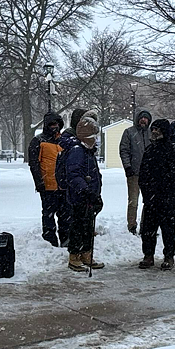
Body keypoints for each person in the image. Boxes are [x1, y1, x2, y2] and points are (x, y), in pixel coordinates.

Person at [137, 118, 175, 269]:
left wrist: (168, 192)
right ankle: (148, 255)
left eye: (157, 129)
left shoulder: (173, 150)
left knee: (168, 229)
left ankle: (169, 256)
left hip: (167, 198)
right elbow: (143, 173)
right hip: (150, 198)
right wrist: (146, 192)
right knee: (148, 229)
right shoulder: (150, 150)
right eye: (153, 129)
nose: (154, 132)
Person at [65, 114, 104, 271]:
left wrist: (96, 194)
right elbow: (73, 174)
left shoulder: (89, 152)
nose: (96, 139)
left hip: (89, 197)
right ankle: (74, 256)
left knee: (88, 227)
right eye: (94, 136)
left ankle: (86, 253)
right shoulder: (77, 151)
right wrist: (85, 190)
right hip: (80, 197)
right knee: (78, 227)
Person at [27, 111, 69, 247]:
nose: (54, 127)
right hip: (47, 185)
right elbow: (34, 164)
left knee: (65, 215)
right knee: (48, 215)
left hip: (63, 185)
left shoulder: (63, 140)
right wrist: (39, 182)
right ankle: (50, 242)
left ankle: (66, 240)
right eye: (51, 124)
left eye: (56, 124)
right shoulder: (38, 141)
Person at [118, 109, 153, 235]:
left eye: (146, 118)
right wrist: (127, 167)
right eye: (141, 118)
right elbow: (124, 150)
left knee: (149, 202)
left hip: (149, 174)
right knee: (133, 202)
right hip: (134, 173)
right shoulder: (129, 132)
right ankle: (132, 225)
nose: (143, 120)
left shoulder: (151, 133)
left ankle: (146, 225)